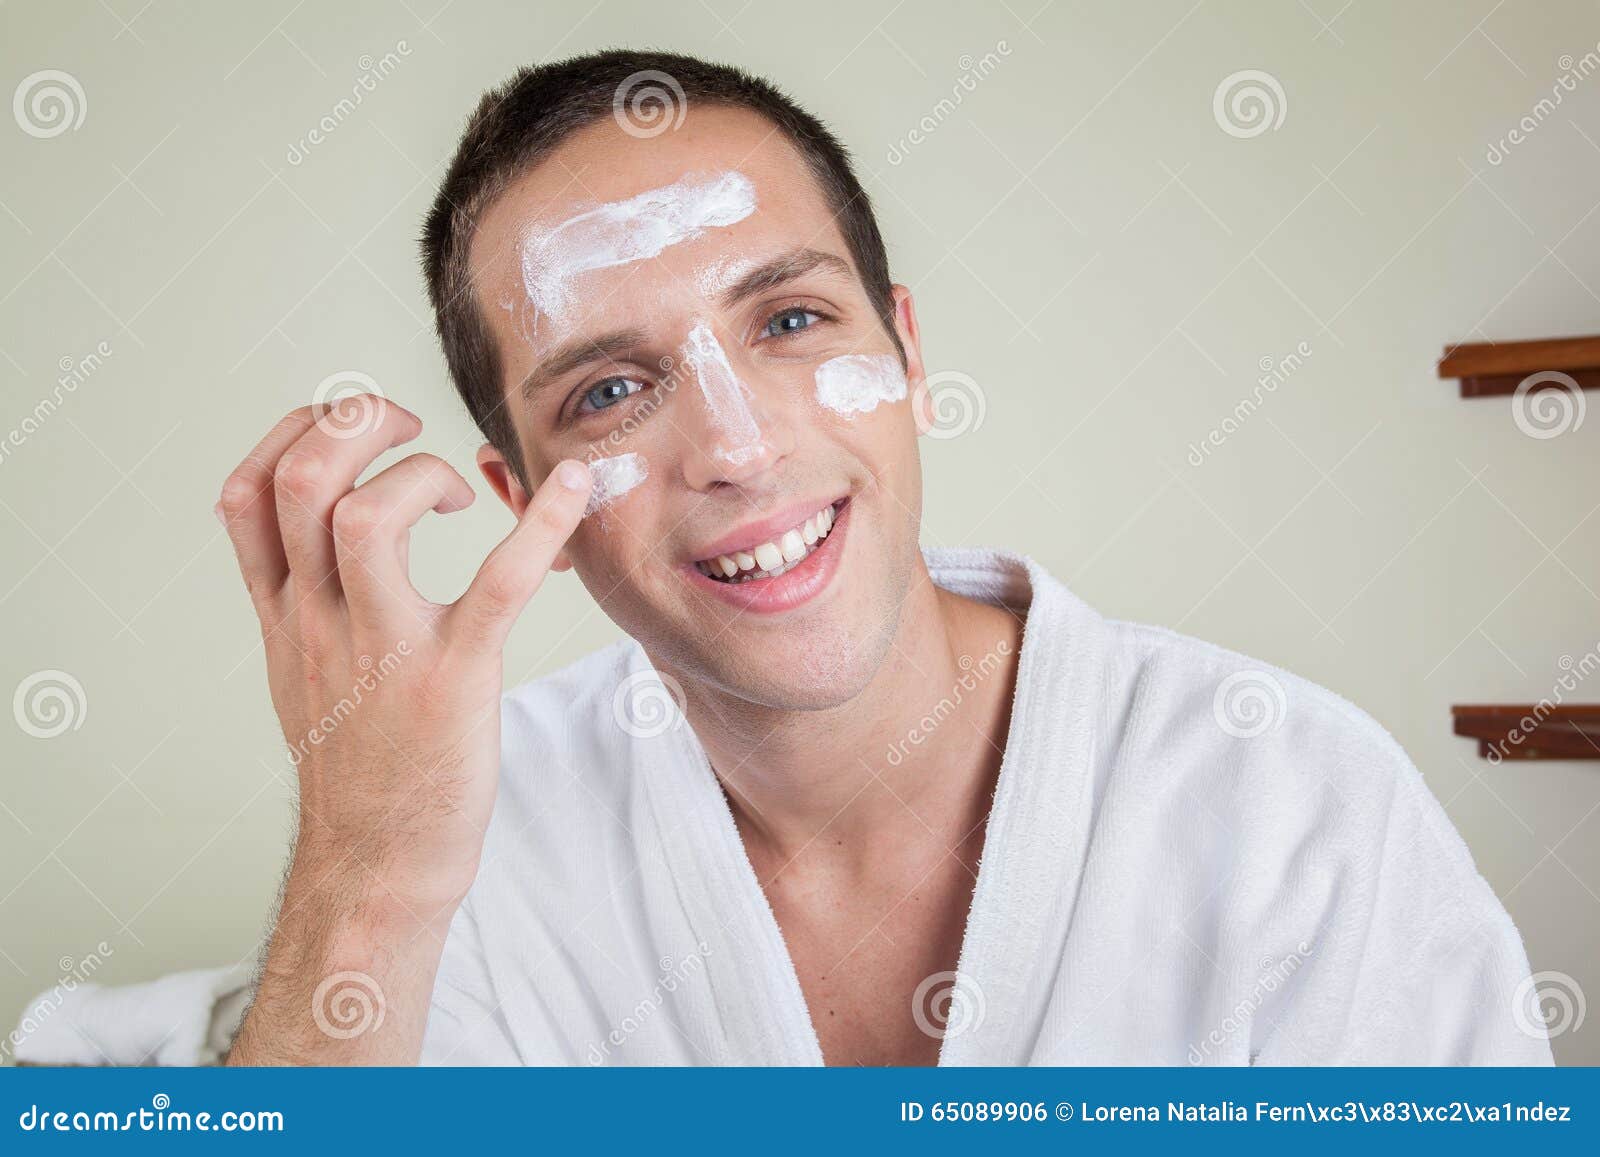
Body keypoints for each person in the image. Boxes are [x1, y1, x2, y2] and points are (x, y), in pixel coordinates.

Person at [220, 50, 1549, 1066]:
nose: (737, 449)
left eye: (791, 317)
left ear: (906, 353)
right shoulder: (473, 853)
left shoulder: (1291, 801)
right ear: (526, 500)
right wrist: (369, 875)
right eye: (610, 393)